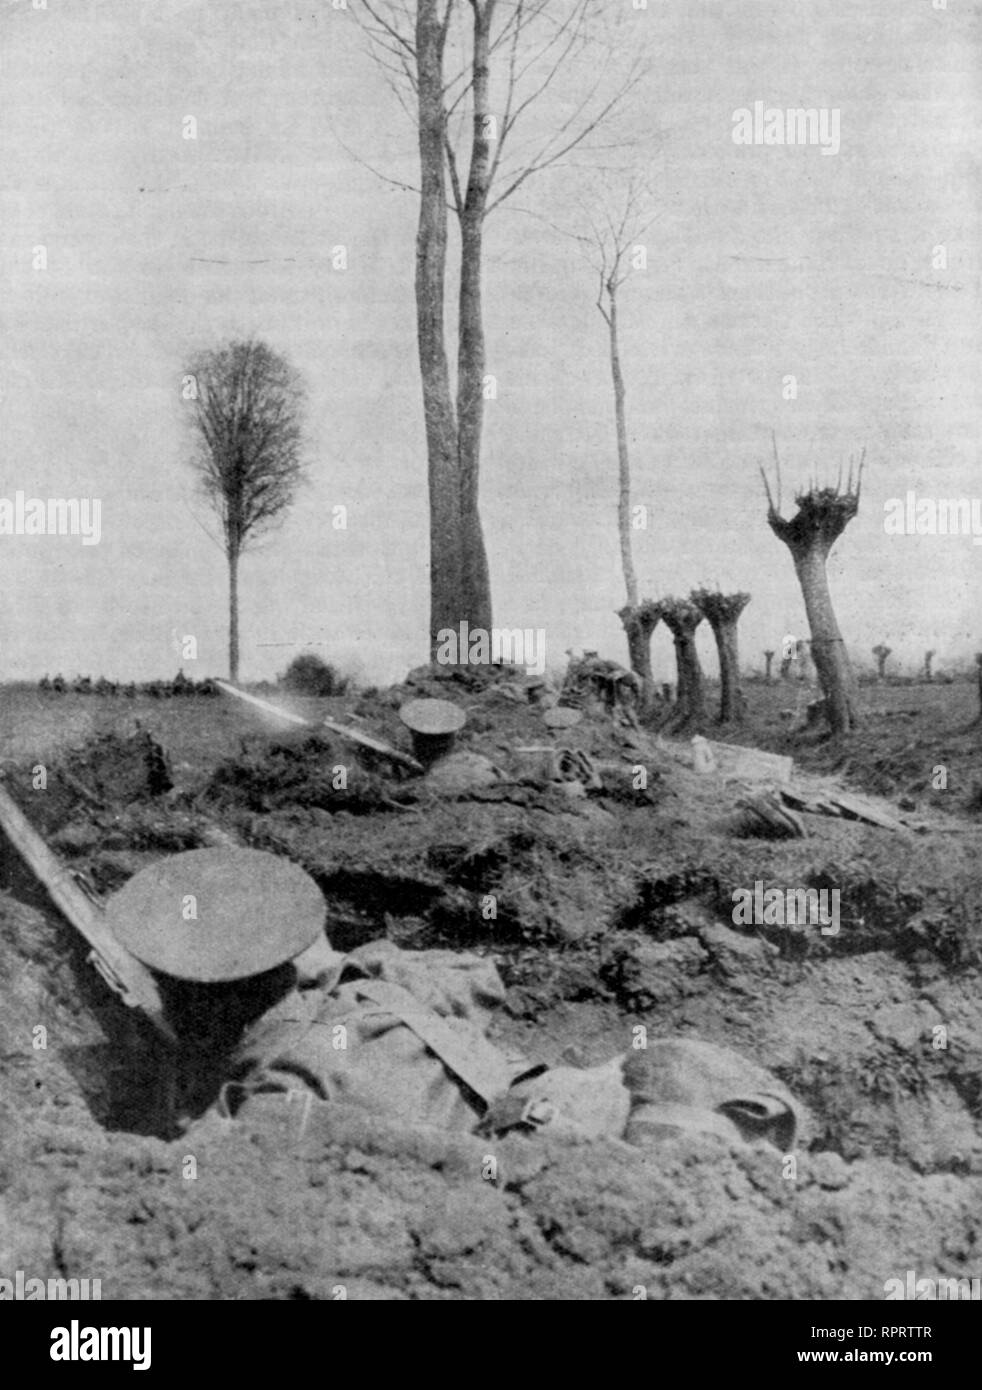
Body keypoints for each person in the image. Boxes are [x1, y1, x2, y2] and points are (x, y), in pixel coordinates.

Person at [105, 848, 801, 1149]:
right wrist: (350, 961)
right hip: (665, 1083)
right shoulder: (371, 984)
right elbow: (483, 977)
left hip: (605, 1149)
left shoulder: (281, 1092)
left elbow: (184, 1177)